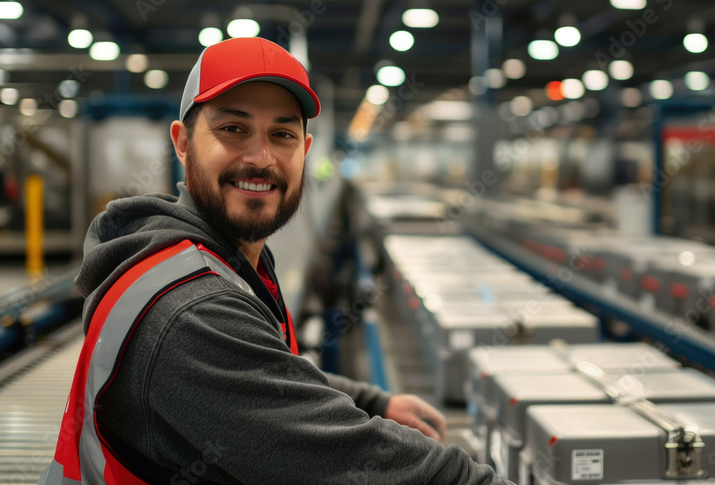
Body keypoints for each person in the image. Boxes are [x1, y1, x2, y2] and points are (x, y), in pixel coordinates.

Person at [39, 37, 510, 484]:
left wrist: (373, 401)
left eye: (282, 134)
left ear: (304, 151)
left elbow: (263, 370)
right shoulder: (191, 308)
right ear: (182, 143)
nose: (261, 158)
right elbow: (349, 463)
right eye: (233, 129)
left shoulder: (217, 260)